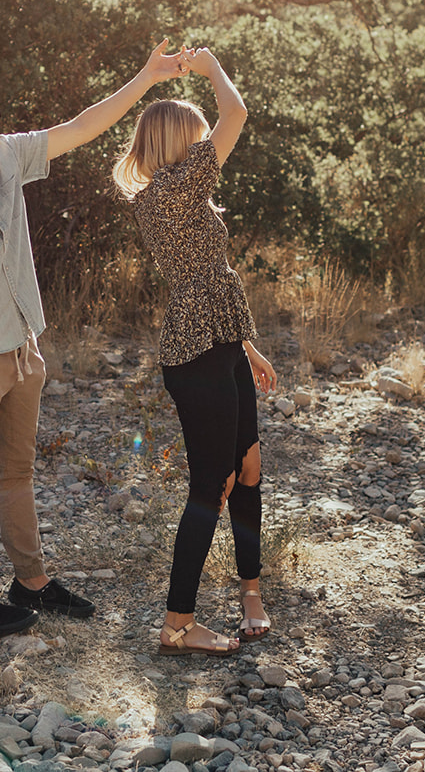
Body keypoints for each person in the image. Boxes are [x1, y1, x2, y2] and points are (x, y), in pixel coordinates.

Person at [0, 41, 190, 637]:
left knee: (19, 472)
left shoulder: (3, 156)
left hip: (22, 346)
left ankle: (30, 582)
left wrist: (146, 77)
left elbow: (80, 127)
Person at [112, 47, 275, 656]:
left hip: (222, 340)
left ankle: (251, 592)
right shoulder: (170, 193)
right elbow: (238, 111)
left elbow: (213, 281)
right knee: (213, 482)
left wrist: (247, 349)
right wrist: (207, 65)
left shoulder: (182, 192)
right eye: (199, 135)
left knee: (249, 465)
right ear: (179, 141)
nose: (210, 142)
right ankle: (178, 624)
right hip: (195, 351)